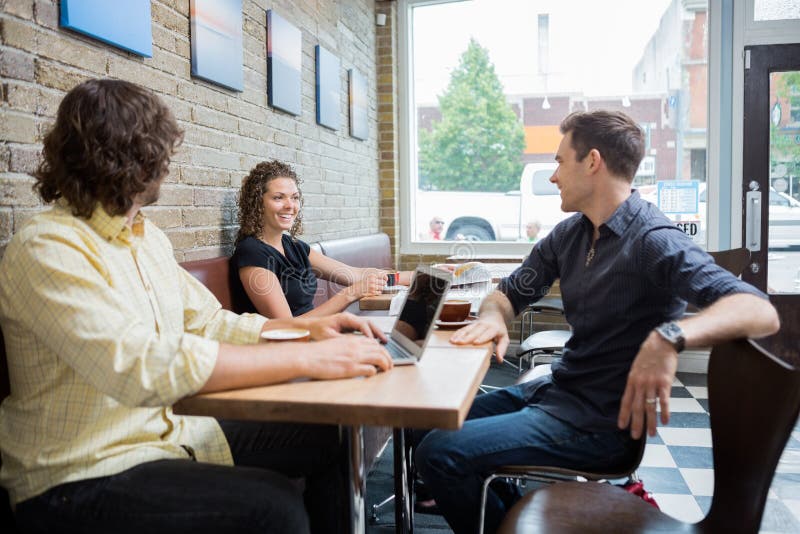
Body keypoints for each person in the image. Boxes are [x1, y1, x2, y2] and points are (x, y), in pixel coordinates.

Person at [0, 78, 393, 534]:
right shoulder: (47, 246)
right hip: (81, 473)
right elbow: (135, 366)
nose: (167, 163)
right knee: (274, 507)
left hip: (168, 434)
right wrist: (305, 356)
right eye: (160, 150)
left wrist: (307, 333)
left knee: (331, 436)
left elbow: (207, 320)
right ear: (131, 156)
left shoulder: (148, 240)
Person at [414, 110, 780, 534]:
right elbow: (507, 294)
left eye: (558, 161)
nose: (553, 176)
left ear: (591, 162)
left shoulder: (653, 240)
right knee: (425, 423)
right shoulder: (569, 234)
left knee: (439, 453)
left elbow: (759, 310)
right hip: (559, 394)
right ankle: (508, 512)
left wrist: (668, 338)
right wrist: (496, 318)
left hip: (599, 426)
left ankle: (503, 518)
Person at [231, 160, 413, 318]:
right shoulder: (252, 253)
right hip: (290, 347)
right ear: (258, 203)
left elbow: (356, 275)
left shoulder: (294, 247)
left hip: (316, 335)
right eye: (278, 198)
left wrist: (416, 277)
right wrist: (350, 293)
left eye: (295, 198)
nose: (290, 206)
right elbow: (285, 327)